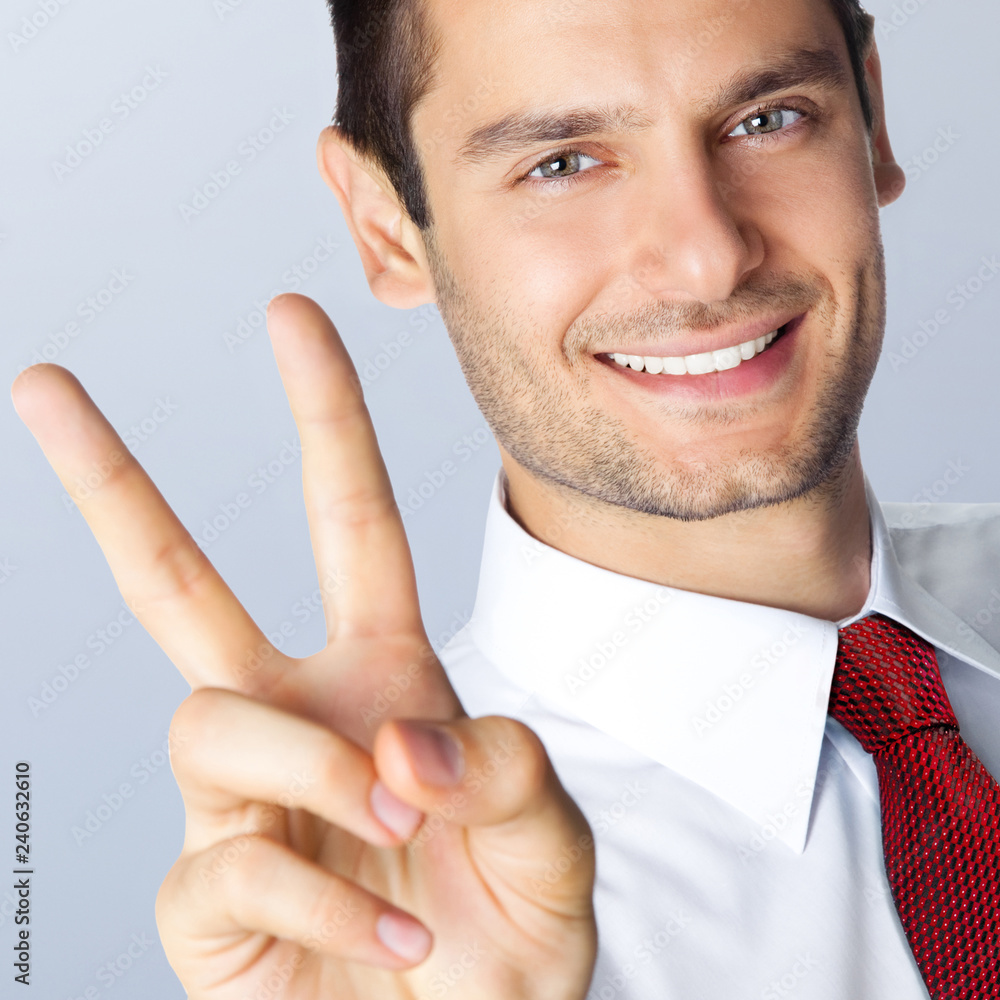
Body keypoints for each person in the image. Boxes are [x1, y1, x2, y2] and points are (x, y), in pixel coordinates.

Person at [11, 0, 1000, 996]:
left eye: (766, 117)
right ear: (385, 225)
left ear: (870, 116)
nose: (707, 256)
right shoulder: (419, 895)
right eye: (561, 163)